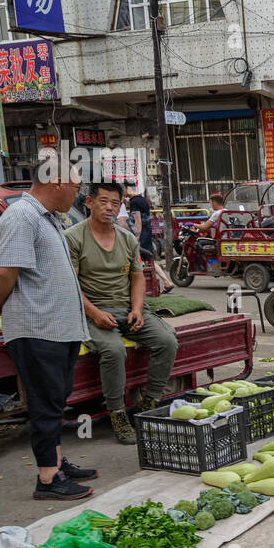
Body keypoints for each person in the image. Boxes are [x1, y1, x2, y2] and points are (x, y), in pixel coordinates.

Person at [0, 150, 95, 500]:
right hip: (37, 328)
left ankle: (57, 462)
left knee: (57, 398)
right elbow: (5, 272)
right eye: (75, 186)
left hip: (57, 327)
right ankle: (48, 479)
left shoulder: (46, 217)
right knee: (45, 401)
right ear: (58, 182)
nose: (77, 193)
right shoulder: (21, 216)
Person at [66, 183, 179, 444]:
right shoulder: (73, 237)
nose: (108, 207)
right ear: (89, 203)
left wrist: (138, 310)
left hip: (127, 309)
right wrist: (94, 313)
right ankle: (117, 414)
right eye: (103, 201)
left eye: (114, 203)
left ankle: (149, 403)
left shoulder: (127, 238)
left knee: (167, 340)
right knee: (114, 350)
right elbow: (70, 286)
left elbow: (137, 279)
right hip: (90, 311)